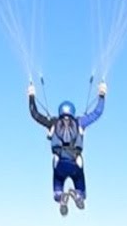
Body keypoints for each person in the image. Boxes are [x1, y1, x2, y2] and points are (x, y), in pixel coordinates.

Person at [28, 80, 106, 216]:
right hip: (76, 163)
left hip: (59, 164)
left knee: (57, 192)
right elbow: (97, 112)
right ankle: (77, 194)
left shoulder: (53, 123)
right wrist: (102, 94)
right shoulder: (80, 122)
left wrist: (31, 95)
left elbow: (35, 114)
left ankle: (62, 197)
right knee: (81, 189)